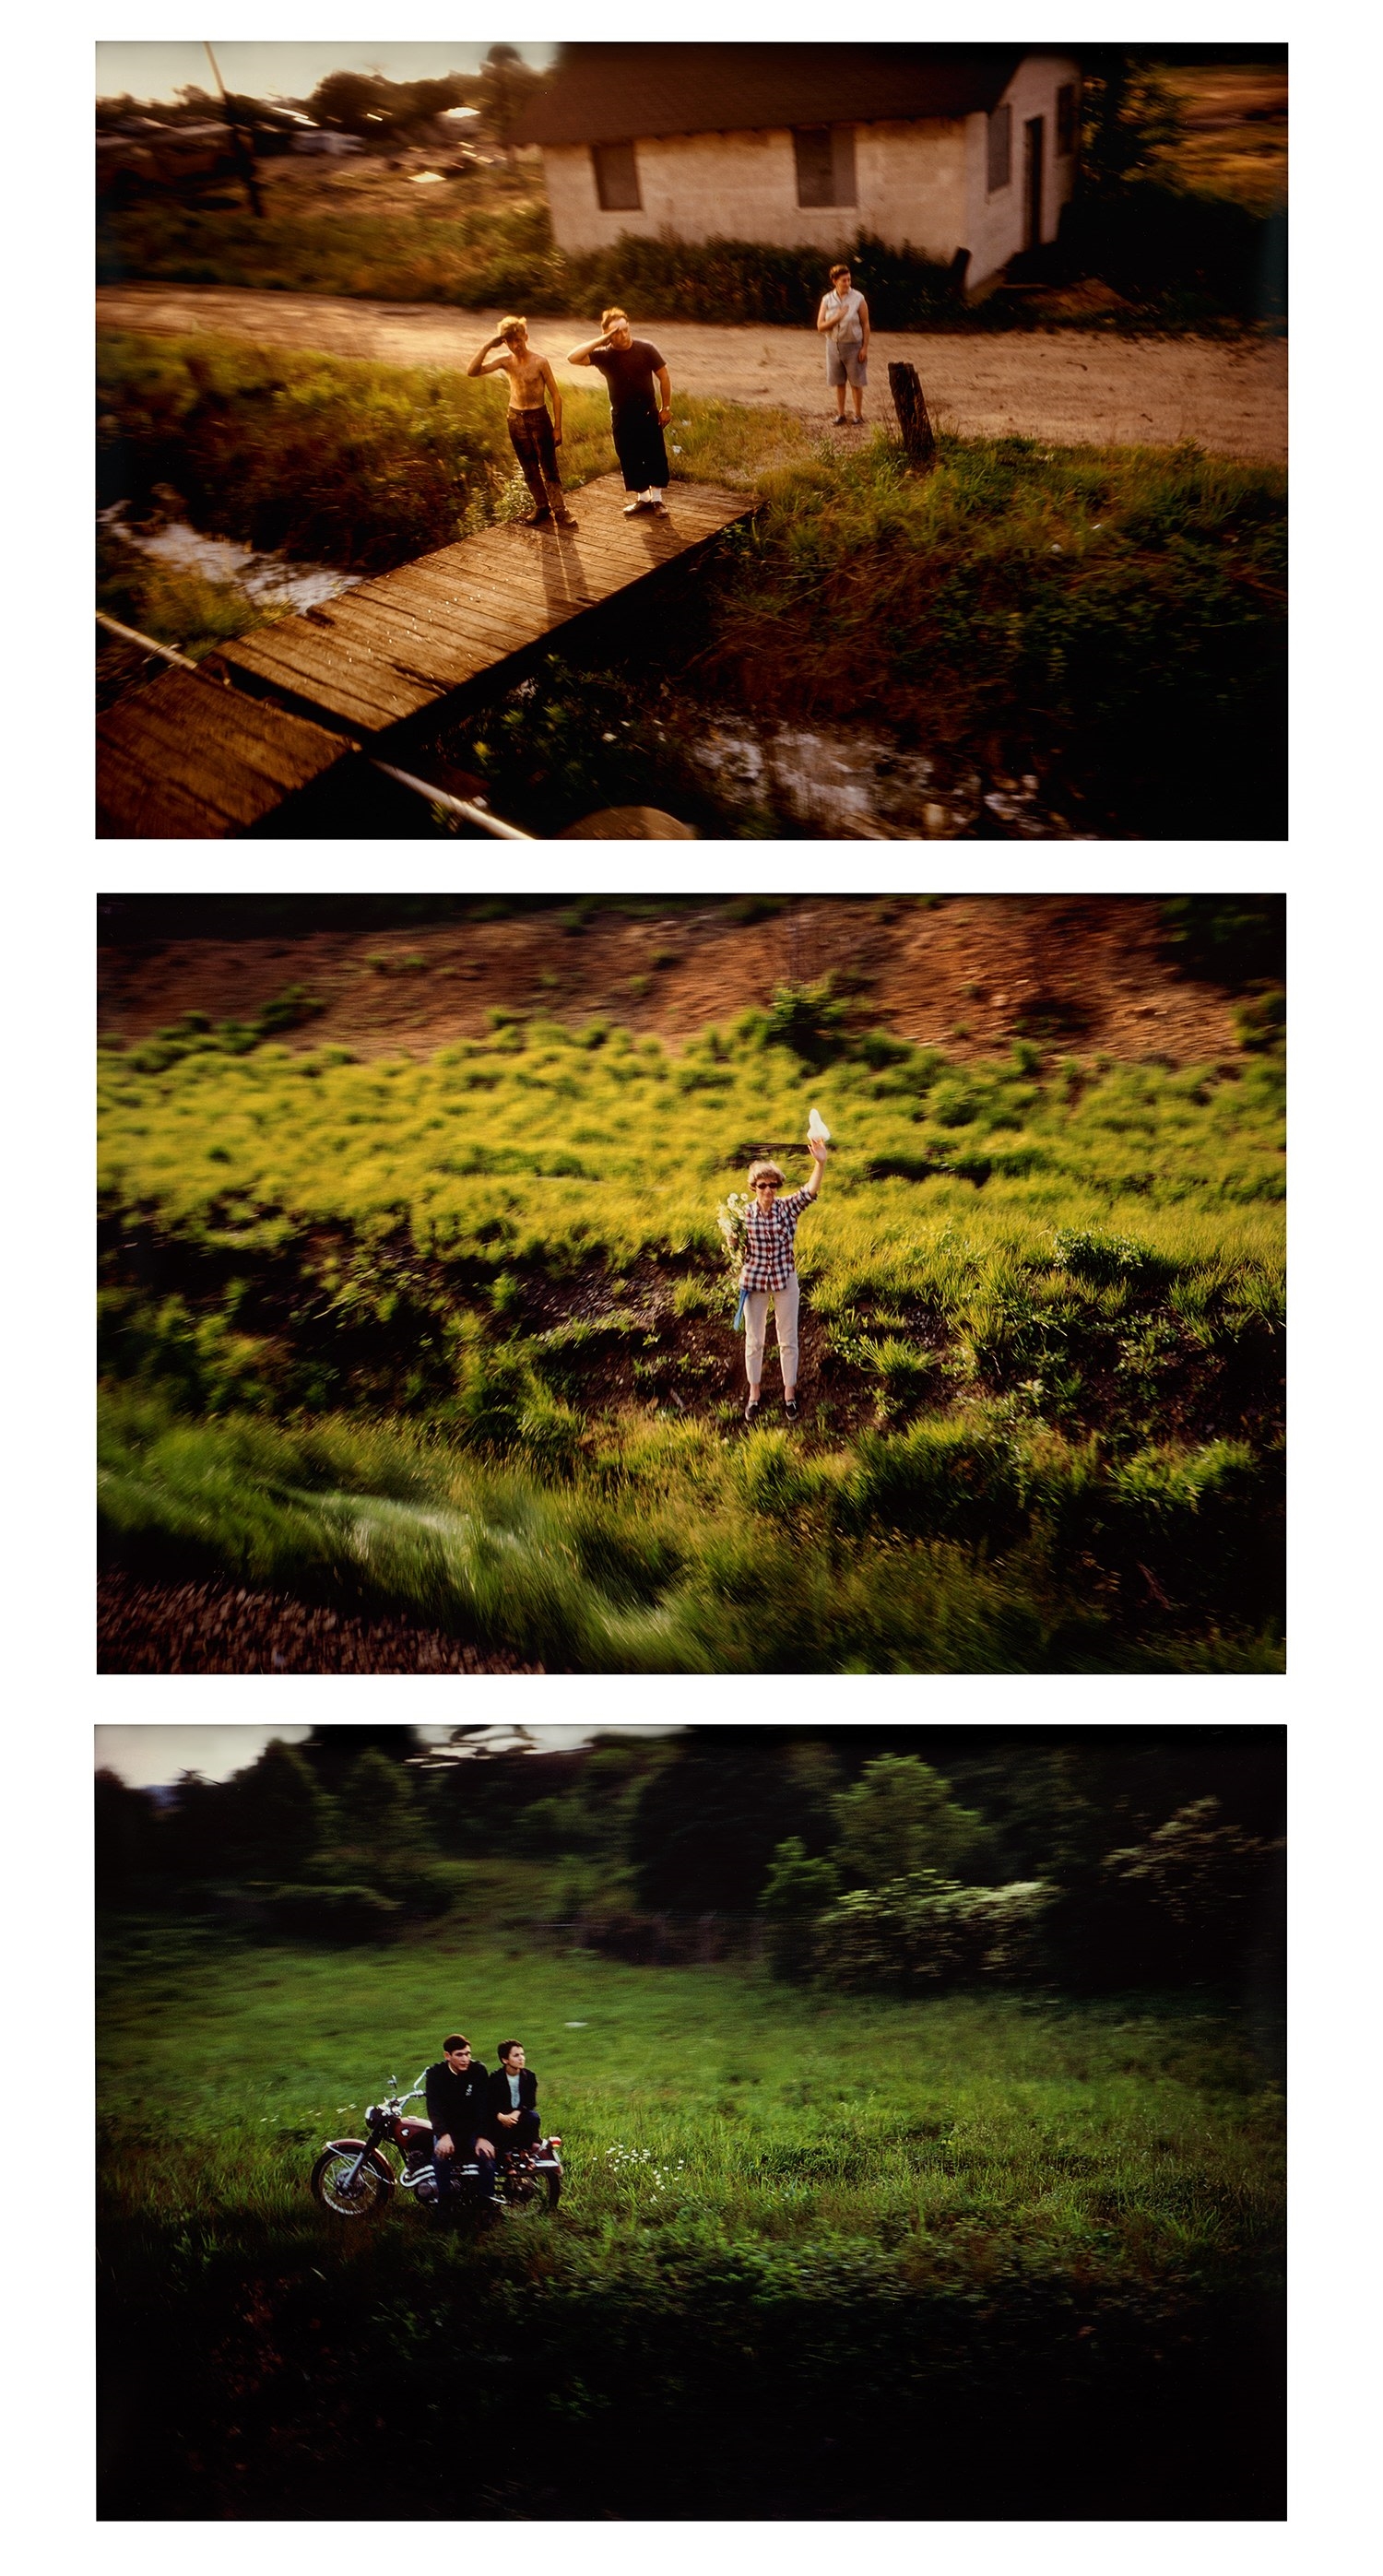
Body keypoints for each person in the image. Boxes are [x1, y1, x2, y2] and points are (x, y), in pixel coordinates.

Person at [738, 1128, 828, 1425]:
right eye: (762, 1185)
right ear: (754, 1187)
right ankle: (754, 1394)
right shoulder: (743, 1215)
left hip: (785, 1281)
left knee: (788, 1339)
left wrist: (820, 1163)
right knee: (755, 1341)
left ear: (777, 1187)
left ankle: (789, 1394)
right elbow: (737, 1248)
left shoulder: (787, 1208)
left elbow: (809, 1193)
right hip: (755, 1284)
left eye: (773, 1185)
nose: (768, 1191)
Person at [467, 316, 577, 529]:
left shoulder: (540, 362)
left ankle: (560, 510)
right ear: (504, 342)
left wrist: (557, 427)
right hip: (515, 419)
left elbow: (556, 395)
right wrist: (489, 345)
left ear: (526, 337)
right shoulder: (505, 361)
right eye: (510, 341)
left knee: (549, 467)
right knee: (529, 468)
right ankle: (542, 507)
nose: (516, 345)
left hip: (539, 417)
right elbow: (472, 371)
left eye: (519, 340)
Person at [567, 310, 672, 515]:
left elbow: (664, 377)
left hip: (648, 413)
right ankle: (643, 498)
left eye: (625, 330)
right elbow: (572, 357)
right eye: (616, 332)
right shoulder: (604, 355)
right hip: (621, 416)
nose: (623, 335)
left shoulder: (646, 348)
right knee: (629, 456)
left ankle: (658, 501)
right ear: (607, 334)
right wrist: (601, 340)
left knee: (654, 454)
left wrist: (666, 407)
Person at [424, 2033, 496, 2221]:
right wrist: (443, 2135)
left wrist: (482, 2137)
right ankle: (444, 2204)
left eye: (468, 2054)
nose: (465, 2059)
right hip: (448, 2130)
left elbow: (484, 2107)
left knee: (487, 2158)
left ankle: (487, 2206)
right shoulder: (435, 2074)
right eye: (460, 2054)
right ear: (447, 2056)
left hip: (473, 2129)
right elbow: (434, 2108)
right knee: (440, 2157)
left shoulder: (478, 2071)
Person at [816, 262, 870, 428]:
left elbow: (865, 324)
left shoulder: (858, 298)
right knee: (839, 382)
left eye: (849, 280)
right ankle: (840, 414)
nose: (847, 283)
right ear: (834, 281)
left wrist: (864, 348)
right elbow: (820, 326)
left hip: (853, 345)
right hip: (833, 345)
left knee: (856, 382)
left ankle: (858, 416)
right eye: (843, 281)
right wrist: (837, 317)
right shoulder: (827, 299)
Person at [487, 2039, 541, 2157]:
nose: (521, 2058)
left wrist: (516, 2113)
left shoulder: (529, 2077)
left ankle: (525, 2152)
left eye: (522, 2054)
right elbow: (491, 2102)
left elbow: (530, 2102)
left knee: (533, 2117)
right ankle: (506, 2156)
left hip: (520, 2114)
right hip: (502, 2116)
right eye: (516, 2055)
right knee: (496, 2125)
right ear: (505, 2060)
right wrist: (501, 2116)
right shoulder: (495, 2078)